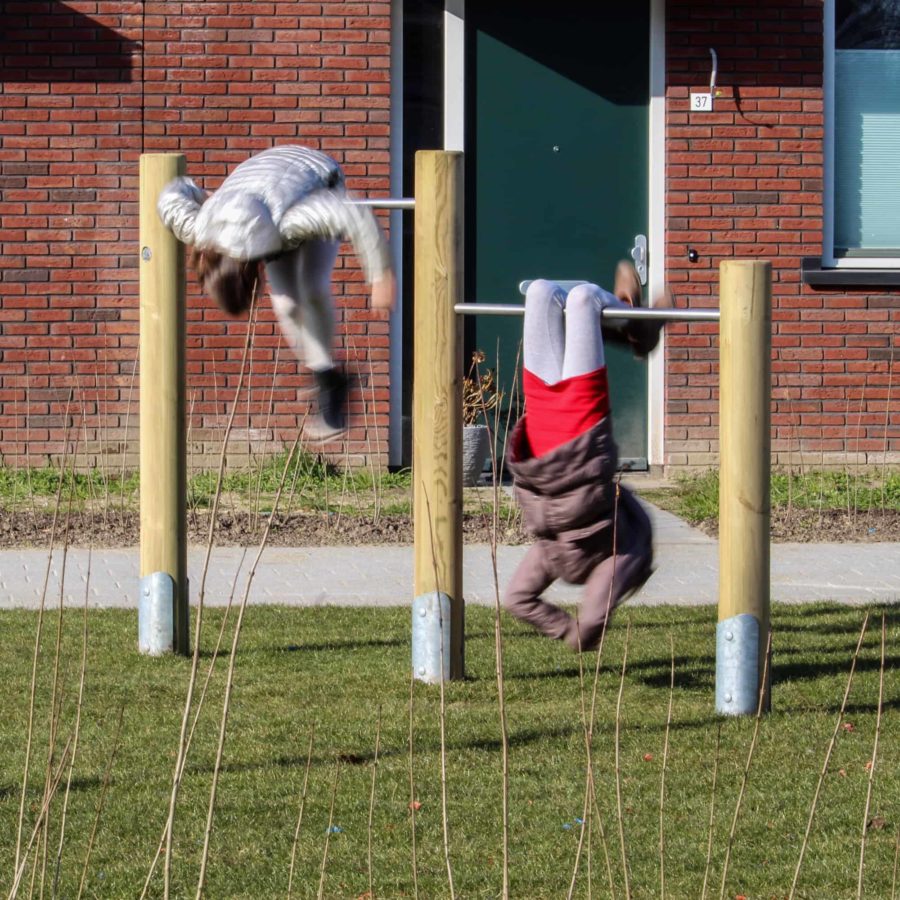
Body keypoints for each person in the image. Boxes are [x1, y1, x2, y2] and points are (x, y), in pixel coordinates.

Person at [156, 145, 396, 441]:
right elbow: (172, 193)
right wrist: (205, 198)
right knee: (286, 304)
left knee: (312, 286)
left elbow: (354, 215)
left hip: (317, 181)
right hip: (253, 196)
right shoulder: (196, 226)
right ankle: (330, 378)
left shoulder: (292, 221)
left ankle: (332, 388)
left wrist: (380, 273)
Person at [503, 261, 669, 651]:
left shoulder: (548, 552)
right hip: (582, 430)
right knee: (582, 300)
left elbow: (516, 599)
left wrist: (566, 631)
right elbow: (593, 616)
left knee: (540, 289)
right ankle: (638, 329)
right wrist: (581, 634)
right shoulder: (611, 554)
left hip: (539, 432)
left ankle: (629, 320)